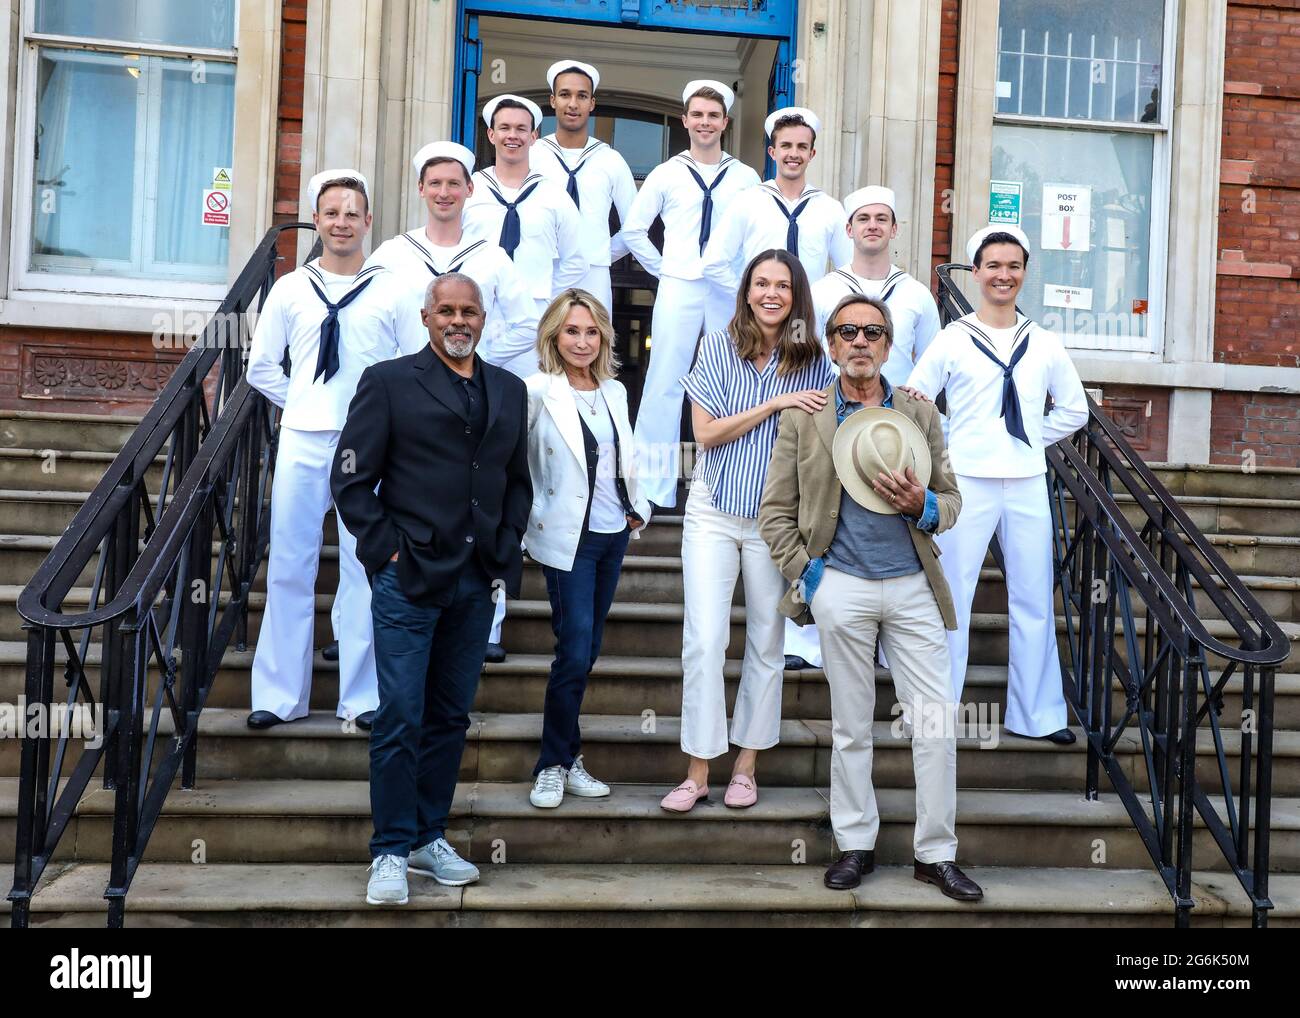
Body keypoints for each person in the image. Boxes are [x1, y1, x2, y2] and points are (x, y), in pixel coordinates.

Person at [757, 292, 982, 902]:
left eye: (873, 332)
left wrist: (923, 505)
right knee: (851, 725)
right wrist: (810, 577)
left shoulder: (918, 412)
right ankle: (855, 845)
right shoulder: (805, 416)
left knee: (934, 724)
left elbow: (951, 500)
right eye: (848, 331)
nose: (860, 341)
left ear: (888, 346)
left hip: (913, 588)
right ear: (831, 345)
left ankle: (936, 855)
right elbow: (775, 512)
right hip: (841, 586)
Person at [331, 272, 531, 906]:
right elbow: (350, 478)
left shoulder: (510, 389)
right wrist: (387, 551)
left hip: (476, 578)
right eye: (446, 310)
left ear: (483, 318)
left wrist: (506, 544)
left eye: (469, 311)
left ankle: (428, 836)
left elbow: (517, 480)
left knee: (450, 716)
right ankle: (390, 849)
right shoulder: (388, 382)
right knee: (400, 715)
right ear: (426, 318)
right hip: (408, 576)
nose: (458, 320)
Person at [244, 169, 423, 732]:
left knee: (364, 565)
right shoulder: (291, 288)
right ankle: (280, 695)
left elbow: (415, 368)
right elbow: (260, 367)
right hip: (303, 438)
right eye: (331, 213)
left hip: (369, 448)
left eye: (351, 213)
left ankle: (363, 697)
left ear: (368, 221)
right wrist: (301, 400)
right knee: (289, 563)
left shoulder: (394, 288)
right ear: (316, 221)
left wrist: (382, 423)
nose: (341, 222)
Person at [660, 249, 833, 814]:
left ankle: (746, 766)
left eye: (782, 285)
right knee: (704, 640)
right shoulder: (717, 345)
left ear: (796, 295)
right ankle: (697, 771)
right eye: (761, 283)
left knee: (766, 641)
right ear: (747, 291)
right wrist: (776, 401)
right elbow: (706, 434)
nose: (771, 294)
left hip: (774, 522)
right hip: (713, 510)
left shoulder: (815, 360)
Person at [907, 226, 1089, 744]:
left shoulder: (1044, 342)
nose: (1003, 275)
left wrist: (1027, 437)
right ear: (977, 272)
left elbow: (1074, 410)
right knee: (952, 596)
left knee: (1033, 598)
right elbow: (917, 400)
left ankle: (1038, 715)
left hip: (1027, 482)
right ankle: (936, 713)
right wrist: (957, 442)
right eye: (993, 266)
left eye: (1013, 266)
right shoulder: (954, 337)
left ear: (1024, 272)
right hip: (966, 483)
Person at [786, 184, 942, 671]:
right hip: (834, 416)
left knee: (891, 512)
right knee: (818, 517)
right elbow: (803, 355)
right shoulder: (822, 290)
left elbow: (931, 360)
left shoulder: (917, 294)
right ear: (849, 229)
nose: (872, 226)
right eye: (863, 219)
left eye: (882, 218)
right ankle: (805, 643)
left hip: (896, 428)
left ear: (895, 229)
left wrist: (922, 404)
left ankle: (890, 638)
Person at [522, 289, 652, 808]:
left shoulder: (614, 390)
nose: (582, 341)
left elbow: (623, 455)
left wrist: (635, 505)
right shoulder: (537, 390)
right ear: (554, 336)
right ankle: (551, 765)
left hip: (611, 536)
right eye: (572, 331)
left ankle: (567, 755)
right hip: (567, 539)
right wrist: (528, 517)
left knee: (589, 650)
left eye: (591, 332)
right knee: (573, 651)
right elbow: (517, 461)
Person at [622, 80, 761, 510]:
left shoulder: (746, 178)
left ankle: (725, 481)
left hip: (727, 290)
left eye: (713, 116)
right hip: (679, 285)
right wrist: (665, 269)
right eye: (697, 115)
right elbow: (633, 231)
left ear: (725, 122)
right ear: (685, 120)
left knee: (731, 379)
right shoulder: (666, 173)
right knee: (664, 381)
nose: (705, 122)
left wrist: (745, 283)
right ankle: (651, 488)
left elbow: (754, 235)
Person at [464, 93, 587, 378]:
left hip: (532, 317)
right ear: (491, 134)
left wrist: (543, 298)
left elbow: (577, 261)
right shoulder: (471, 190)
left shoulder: (554, 195)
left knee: (529, 393)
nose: (513, 135)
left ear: (533, 137)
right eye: (505, 128)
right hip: (477, 309)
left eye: (521, 129)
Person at [702, 107, 850, 299]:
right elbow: (713, 263)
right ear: (772, 152)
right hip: (759, 314)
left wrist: (822, 303)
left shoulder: (830, 209)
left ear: (812, 154)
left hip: (808, 315)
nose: (794, 154)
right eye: (786, 145)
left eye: (802, 147)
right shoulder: (747, 202)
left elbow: (849, 270)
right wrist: (749, 297)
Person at [530, 61, 638, 312]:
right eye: (565, 94)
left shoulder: (610, 159)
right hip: (544, 268)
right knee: (540, 336)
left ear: (592, 103)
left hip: (593, 274)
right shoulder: (533, 155)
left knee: (593, 335)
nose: (573, 104)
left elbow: (634, 225)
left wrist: (600, 254)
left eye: (581, 96)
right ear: (553, 100)